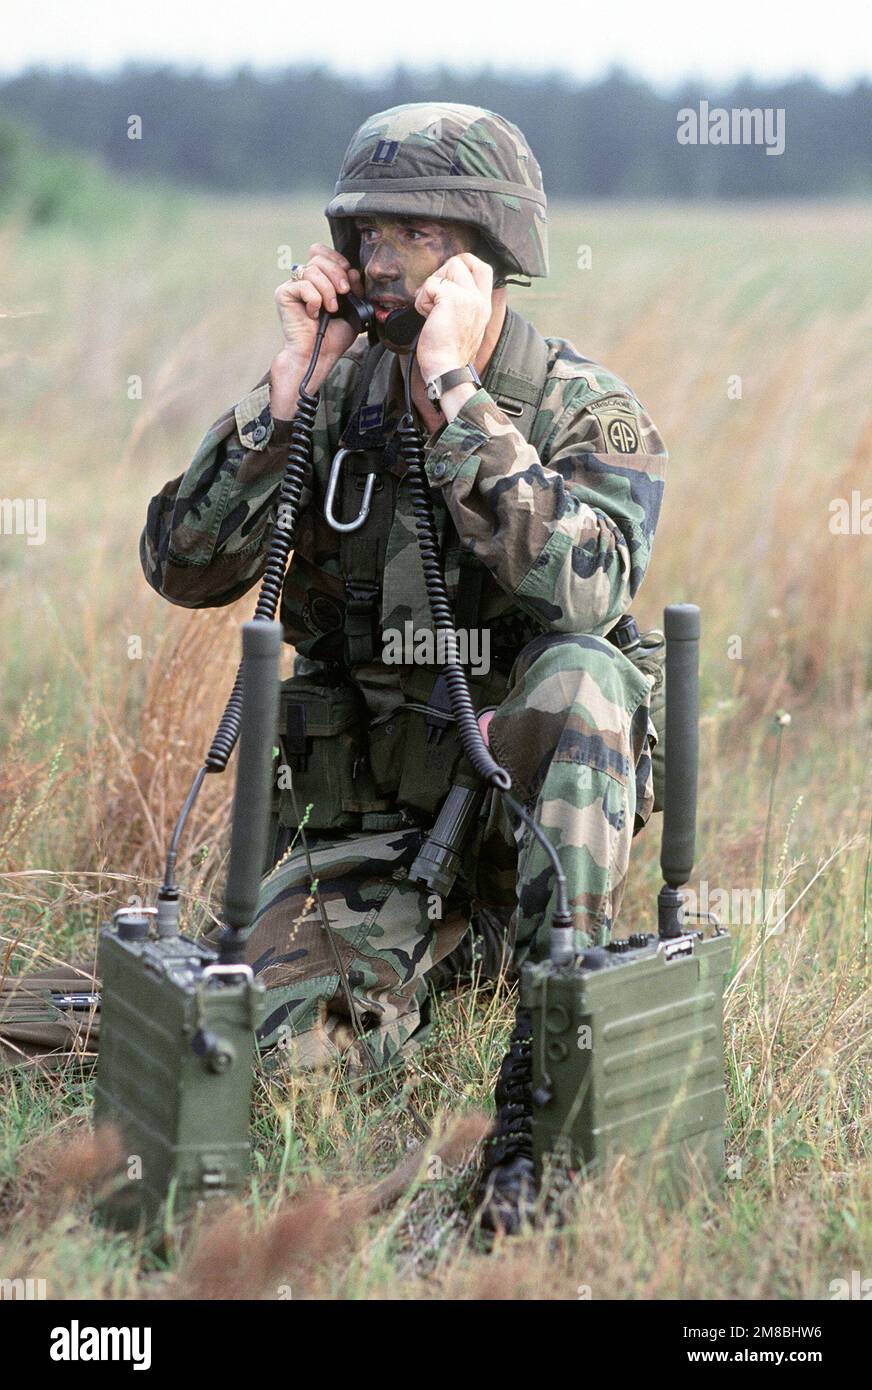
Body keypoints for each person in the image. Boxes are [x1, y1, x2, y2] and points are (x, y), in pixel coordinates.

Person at [139, 102, 668, 1230]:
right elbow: (181, 566)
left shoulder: (584, 409)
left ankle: (544, 1065)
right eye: (365, 236)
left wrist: (457, 406)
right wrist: (279, 405)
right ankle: (410, 985)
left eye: (411, 237)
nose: (379, 260)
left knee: (583, 671)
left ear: (486, 257)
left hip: (524, 840)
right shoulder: (331, 397)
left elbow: (588, 587)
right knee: (274, 1076)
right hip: (373, 847)